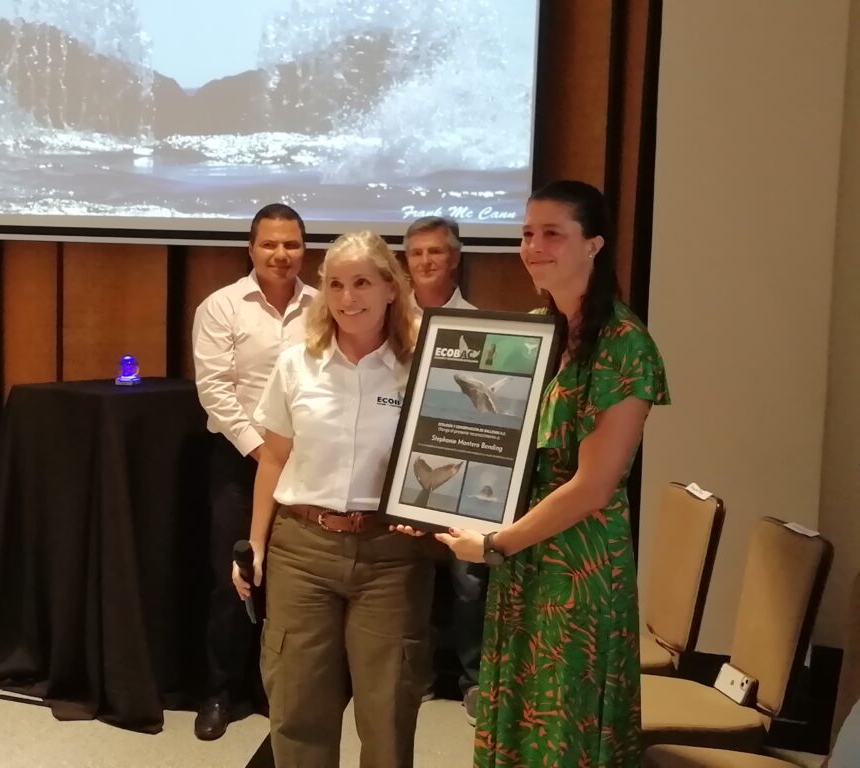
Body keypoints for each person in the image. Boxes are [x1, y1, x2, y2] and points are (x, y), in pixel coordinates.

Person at [434, 181, 670, 767]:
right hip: (526, 556)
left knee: (564, 726)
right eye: (526, 233)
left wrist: (494, 543)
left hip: (577, 568)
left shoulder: (625, 345)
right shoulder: (539, 328)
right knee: (520, 716)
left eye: (551, 234)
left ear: (593, 244)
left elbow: (593, 487)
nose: (533, 246)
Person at [232, 231, 433, 767]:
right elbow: (274, 459)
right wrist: (256, 544)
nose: (348, 298)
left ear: (392, 287)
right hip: (304, 550)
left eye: (362, 282)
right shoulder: (298, 362)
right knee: (298, 707)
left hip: (391, 555)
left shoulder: (423, 366)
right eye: (336, 284)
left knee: (387, 710)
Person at [191, 203, 316, 741]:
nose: (281, 254)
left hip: (311, 464)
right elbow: (215, 391)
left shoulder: (324, 307)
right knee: (237, 578)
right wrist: (262, 450)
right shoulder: (222, 307)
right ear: (251, 248)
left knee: (293, 581)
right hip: (240, 464)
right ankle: (220, 691)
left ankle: (277, 691)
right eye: (270, 244)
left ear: (304, 249)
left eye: (291, 244)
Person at [403, 216, 485, 724]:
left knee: (469, 577)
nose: (427, 261)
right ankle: (416, 675)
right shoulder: (387, 322)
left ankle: (475, 678)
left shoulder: (481, 323)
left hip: (463, 467)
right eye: (417, 254)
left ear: (454, 258)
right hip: (401, 470)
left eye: (437, 252)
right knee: (403, 571)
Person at [404, 216, 476, 315]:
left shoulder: (475, 322)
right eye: (417, 253)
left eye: (435, 252)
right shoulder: (390, 318)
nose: (425, 261)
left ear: (455, 258)